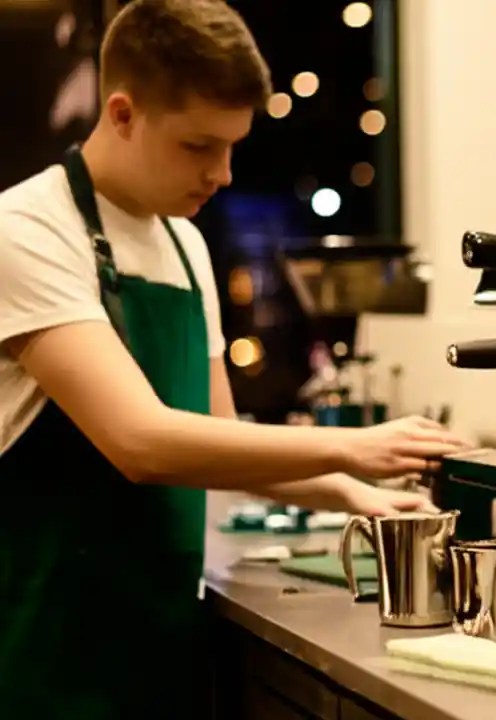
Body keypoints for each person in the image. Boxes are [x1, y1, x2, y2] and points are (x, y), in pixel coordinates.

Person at [0, 0, 469, 716]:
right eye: (198, 146)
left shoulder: (185, 246)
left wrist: (351, 493)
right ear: (122, 113)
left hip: (158, 648)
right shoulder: (27, 231)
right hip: (43, 653)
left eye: (232, 147)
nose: (221, 174)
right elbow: (141, 442)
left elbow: (222, 436)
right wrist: (354, 446)